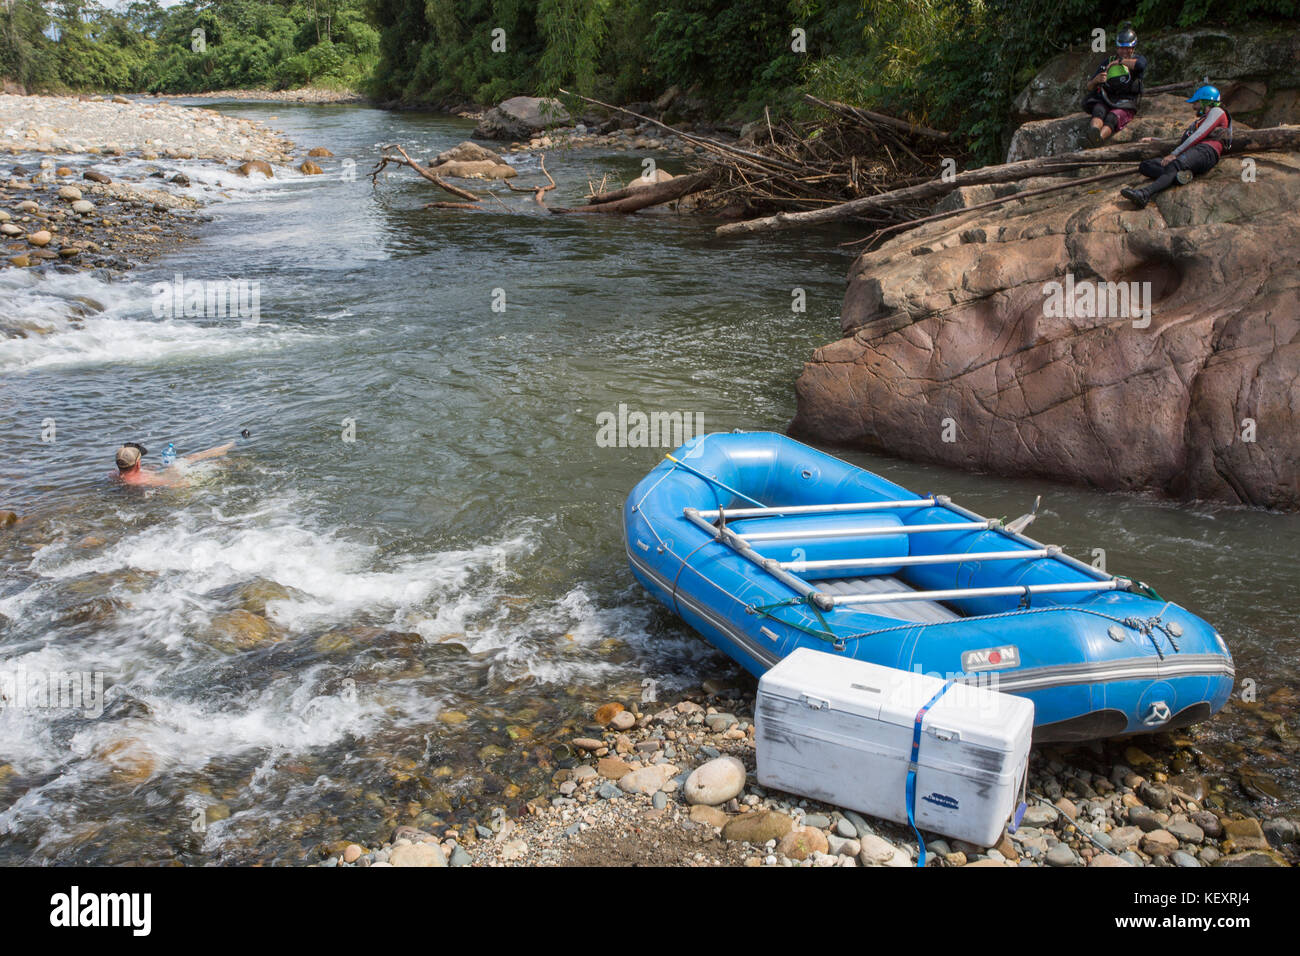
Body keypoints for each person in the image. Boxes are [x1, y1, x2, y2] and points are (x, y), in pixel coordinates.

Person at [1121, 85, 1230, 209]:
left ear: (1205, 101)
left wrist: (1174, 154)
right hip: (1192, 153)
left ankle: (1144, 194)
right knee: (1146, 165)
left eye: (1196, 102)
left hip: (1206, 151)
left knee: (1174, 164)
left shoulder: (1217, 111)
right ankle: (1179, 177)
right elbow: (1183, 140)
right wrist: (1155, 140)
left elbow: (1200, 134)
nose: (1194, 106)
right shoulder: (1202, 119)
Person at [1082, 23, 1146, 145]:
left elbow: (1140, 66)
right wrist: (1096, 80)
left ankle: (1098, 139)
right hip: (1108, 99)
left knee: (1112, 117)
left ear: (1133, 48)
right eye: (1121, 48)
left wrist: (1120, 62)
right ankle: (1093, 133)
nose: (1124, 51)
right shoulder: (1107, 61)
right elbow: (1089, 87)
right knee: (1098, 110)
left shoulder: (1138, 60)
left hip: (1126, 103)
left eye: (1127, 48)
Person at [113, 440, 235, 486]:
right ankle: (225, 450)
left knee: (187, 460)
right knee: (190, 461)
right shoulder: (144, 480)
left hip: (158, 477)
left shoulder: (113, 475)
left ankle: (222, 450)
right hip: (171, 479)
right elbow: (175, 482)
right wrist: (173, 470)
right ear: (138, 463)